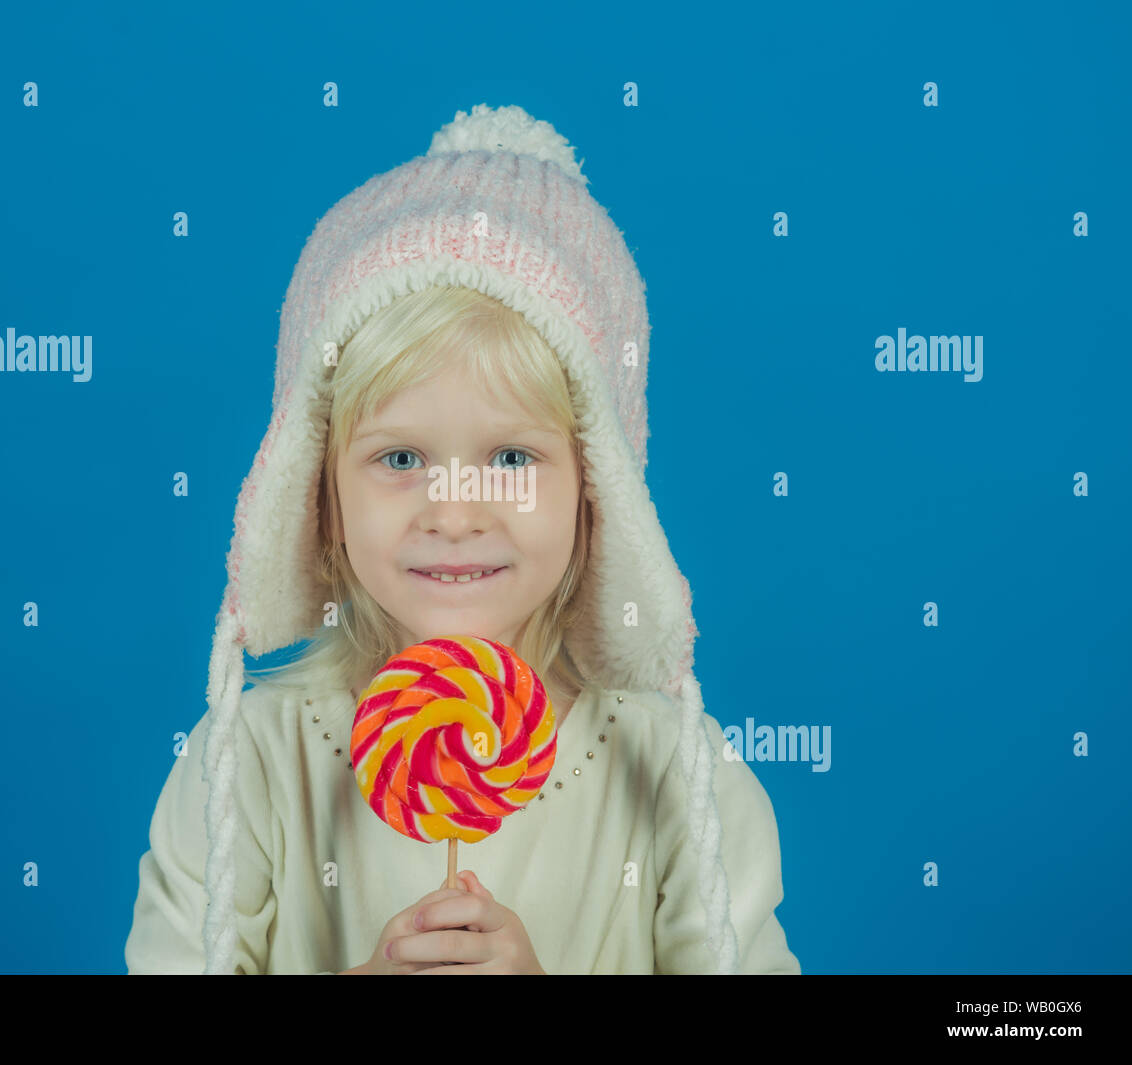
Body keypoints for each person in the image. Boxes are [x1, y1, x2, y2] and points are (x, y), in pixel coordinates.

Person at [123, 103, 801, 975]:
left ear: (599, 491)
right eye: (399, 456)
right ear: (319, 496)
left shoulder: (678, 776)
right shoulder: (247, 766)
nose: (452, 510)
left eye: (512, 456)